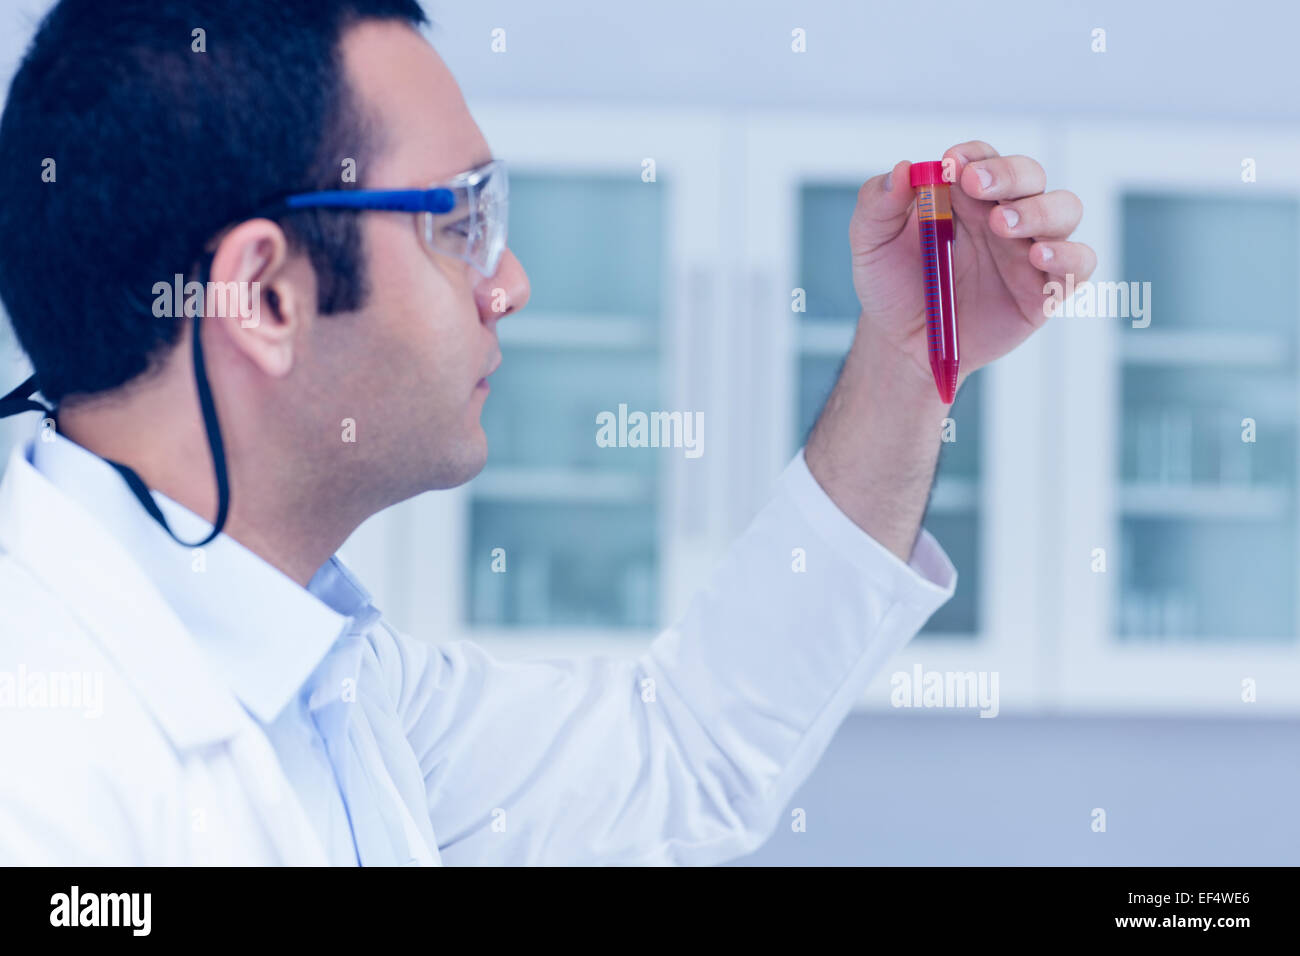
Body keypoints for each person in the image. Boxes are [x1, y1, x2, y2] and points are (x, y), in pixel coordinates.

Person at [0, 0, 1094, 865]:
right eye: (459, 224)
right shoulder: (42, 765)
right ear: (265, 299)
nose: (508, 283)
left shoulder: (332, 682)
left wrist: (908, 360)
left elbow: (684, 755)